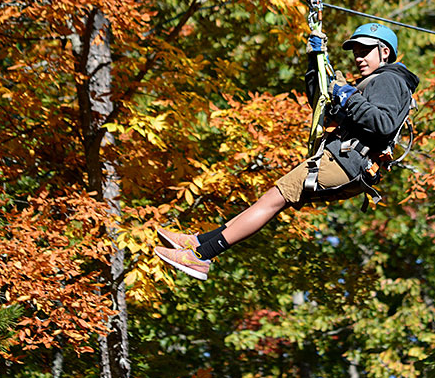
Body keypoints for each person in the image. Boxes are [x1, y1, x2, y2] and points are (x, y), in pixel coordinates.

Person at [153, 23, 419, 280]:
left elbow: (382, 124)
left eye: (365, 51)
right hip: (347, 163)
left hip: (346, 161)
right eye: (356, 52)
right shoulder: (371, 83)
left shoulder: (389, 80)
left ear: (385, 52)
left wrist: (349, 97)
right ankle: (198, 242)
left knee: (273, 199)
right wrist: (315, 62)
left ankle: (201, 255)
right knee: (271, 199)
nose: (359, 58)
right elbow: (320, 103)